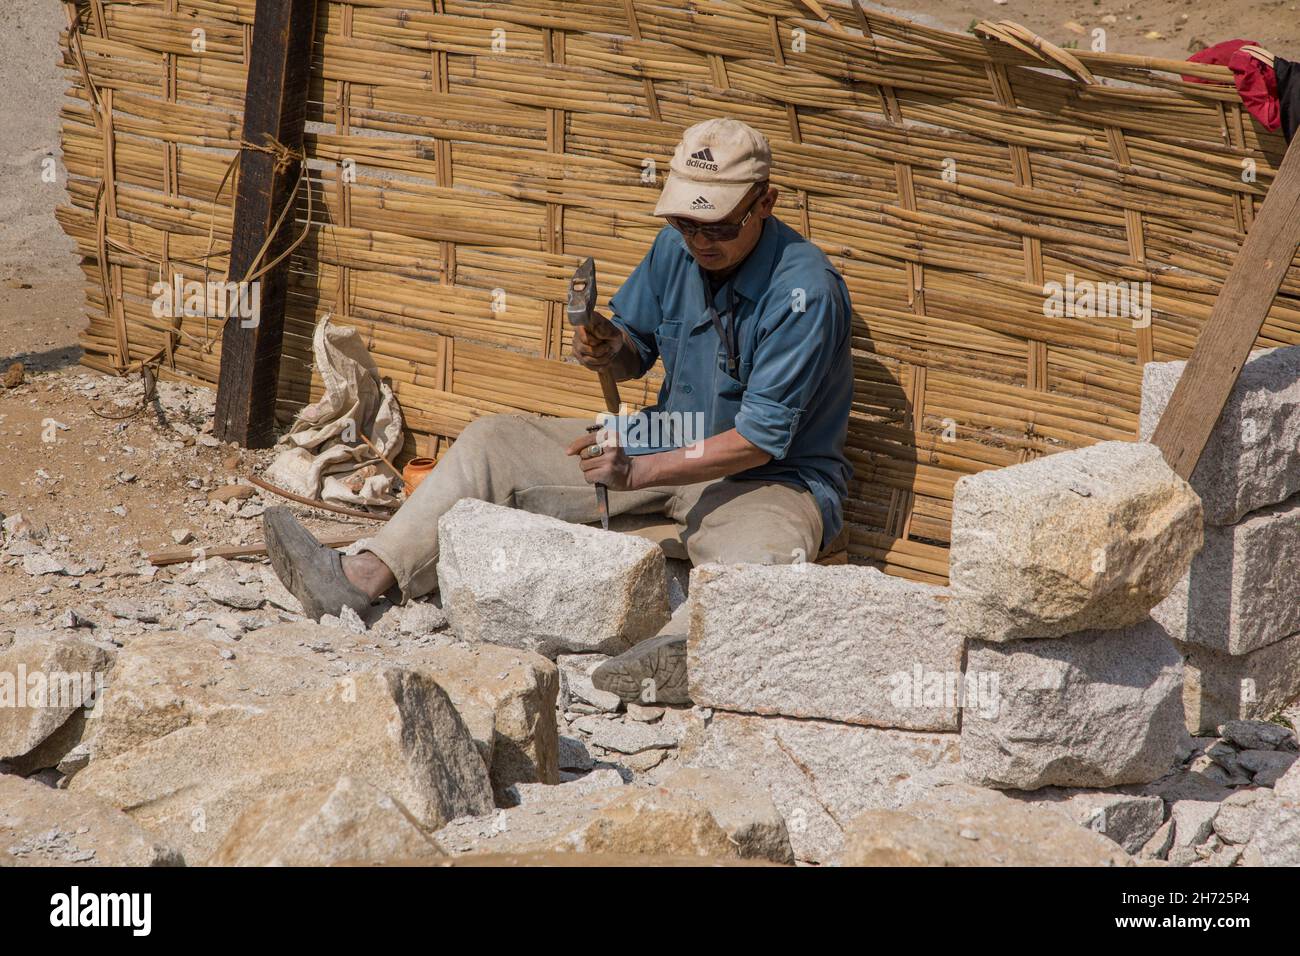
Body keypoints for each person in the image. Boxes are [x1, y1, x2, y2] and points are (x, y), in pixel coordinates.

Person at [263, 117, 855, 704]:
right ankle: (358, 578)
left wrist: (637, 473)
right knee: (496, 442)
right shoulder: (678, 251)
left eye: (720, 226)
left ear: (767, 201)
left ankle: (678, 654)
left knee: (759, 559)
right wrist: (608, 342)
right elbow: (636, 349)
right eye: (684, 222)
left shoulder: (804, 292)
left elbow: (760, 438)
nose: (701, 241)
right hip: (665, 436)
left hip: (770, 479)